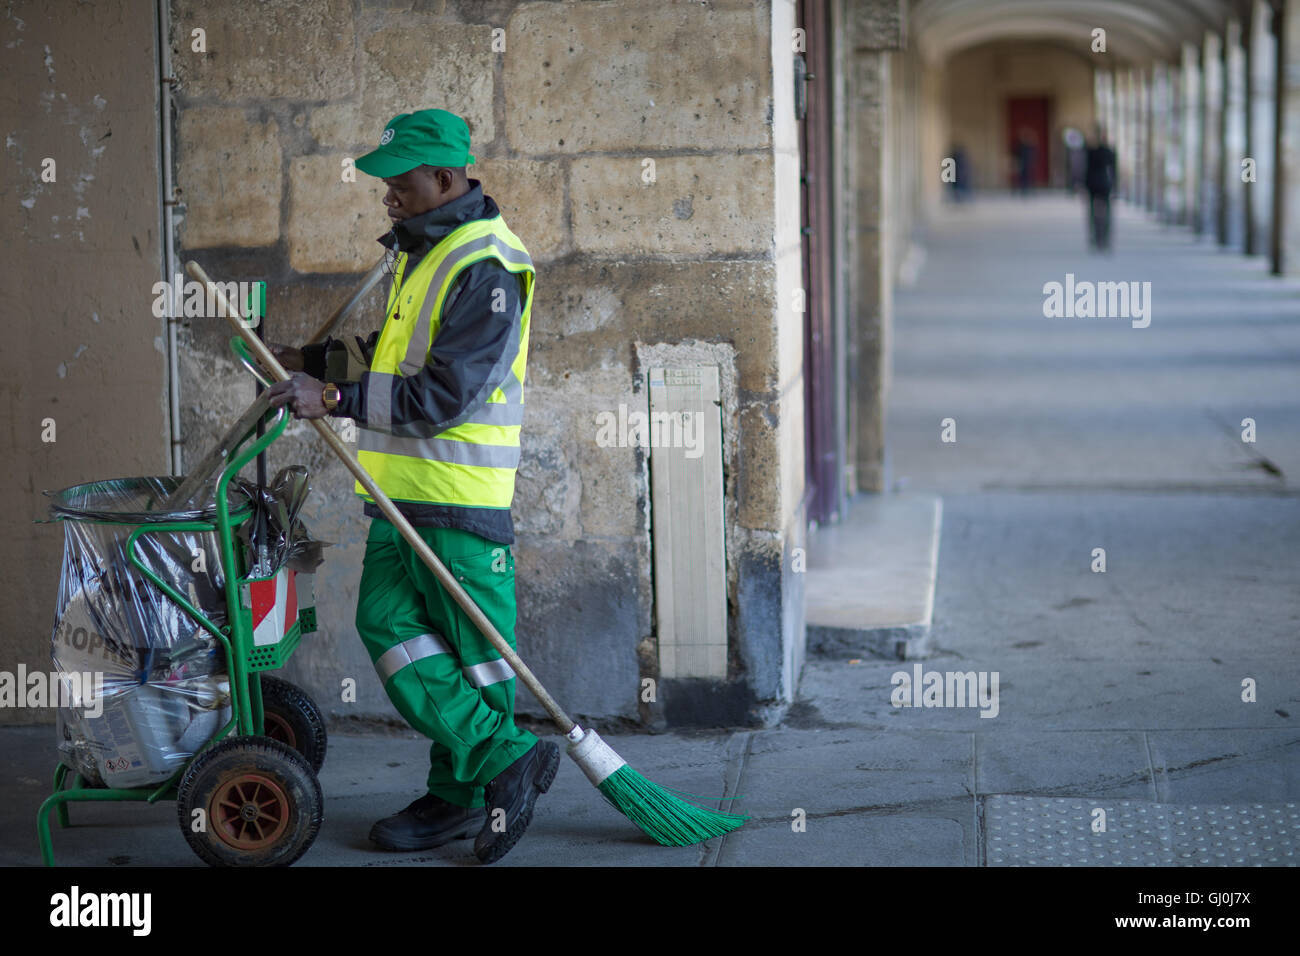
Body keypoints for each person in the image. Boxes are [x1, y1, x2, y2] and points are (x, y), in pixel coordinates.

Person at [266, 108, 559, 865]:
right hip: (401, 496)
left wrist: (331, 400)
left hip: (458, 499)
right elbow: (395, 356)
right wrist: (318, 362)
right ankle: (488, 769)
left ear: (448, 178)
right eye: (385, 186)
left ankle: (483, 773)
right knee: (391, 627)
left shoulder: (487, 265)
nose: (388, 197)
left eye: (400, 184)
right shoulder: (427, 254)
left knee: (476, 660)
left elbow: (441, 395)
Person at [1084, 124, 1117, 251]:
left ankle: (1096, 236)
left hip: (1094, 183)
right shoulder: (1108, 151)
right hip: (1103, 183)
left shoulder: (1091, 151)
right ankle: (1105, 237)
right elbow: (1113, 171)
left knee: (1093, 212)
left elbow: (1086, 169)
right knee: (1105, 211)